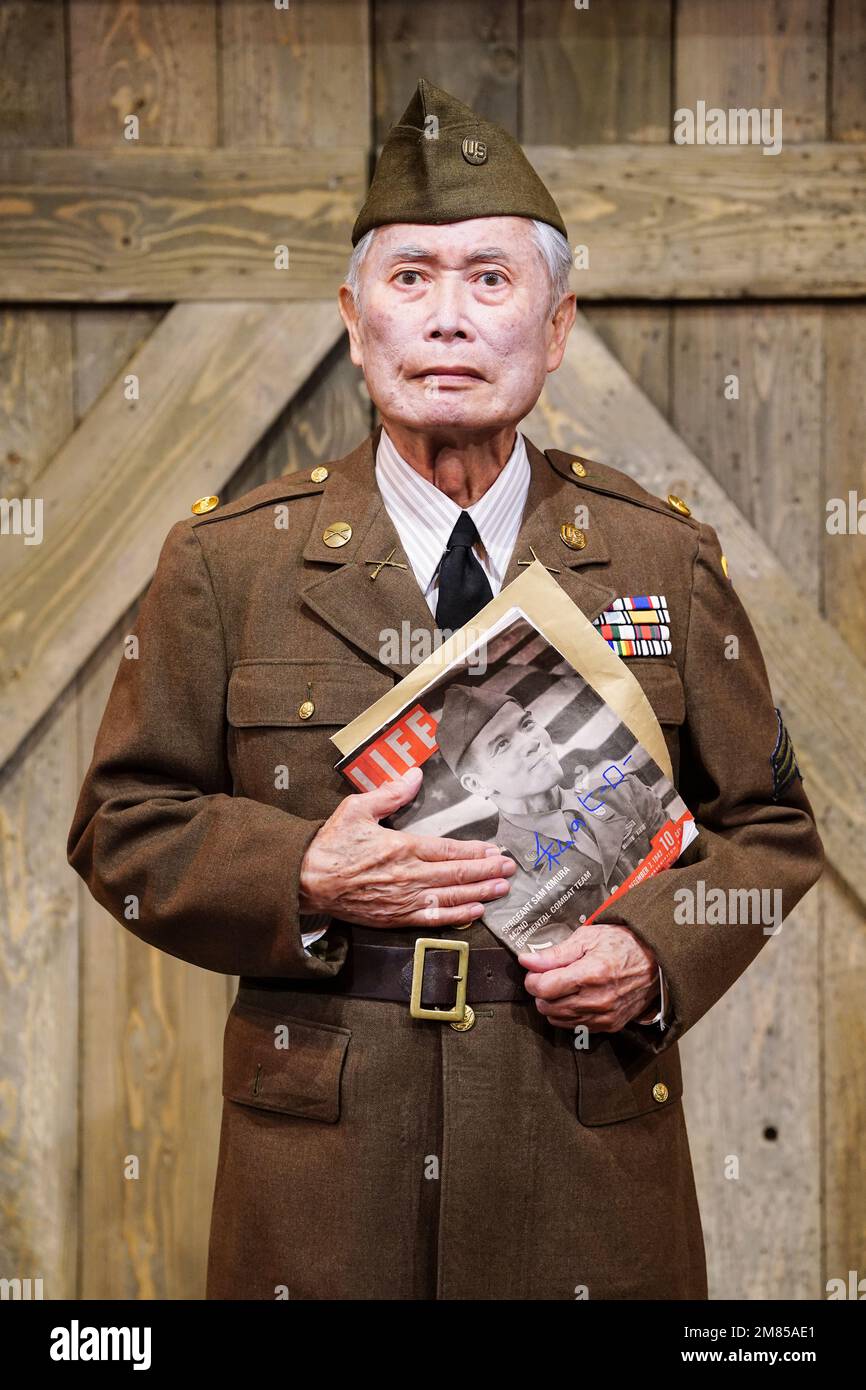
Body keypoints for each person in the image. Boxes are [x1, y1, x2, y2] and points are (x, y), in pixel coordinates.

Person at [67, 78, 825, 1300]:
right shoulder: (227, 562)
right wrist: (301, 873)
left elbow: (771, 837)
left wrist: (653, 949)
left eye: (488, 278)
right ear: (355, 322)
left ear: (555, 322)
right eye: (409, 278)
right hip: (323, 1170)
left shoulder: (658, 562)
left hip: (578, 1142)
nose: (447, 319)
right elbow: (121, 827)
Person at [436, 683, 671, 955]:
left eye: (526, 724)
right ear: (477, 785)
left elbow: (686, 869)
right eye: (502, 745)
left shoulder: (622, 790)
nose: (532, 742)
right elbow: (581, 966)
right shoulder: (503, 886)